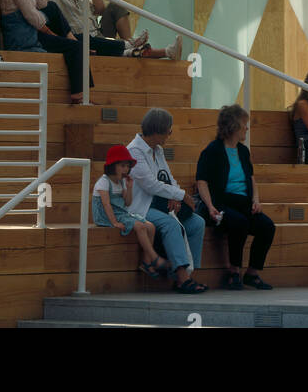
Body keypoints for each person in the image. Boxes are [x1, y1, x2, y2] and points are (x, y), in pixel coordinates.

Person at [195, 104, 276, 291]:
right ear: (233, 126)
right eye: (244, 125)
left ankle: (252, 273)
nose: (246, 128)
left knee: (267, 226)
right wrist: (209, 206)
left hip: (243, 202)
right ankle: (233, 272)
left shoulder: (243, 151)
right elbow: (202, 181)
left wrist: (256, 200)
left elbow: (251, 179)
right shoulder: (213, 150)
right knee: (239, 223)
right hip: (221, 203)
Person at [127, 108, 207, 294]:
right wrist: (181, 195)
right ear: (157, 131)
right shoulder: (133, 151)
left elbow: (168, 178)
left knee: (197, 223)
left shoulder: (158, 150)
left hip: (160, 203)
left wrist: (176, 194)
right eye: (169, 131)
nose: (170, 135)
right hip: (140, 206)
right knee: (171, 224)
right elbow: (150, 185)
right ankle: (182, 278)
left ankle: (187, 273)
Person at [0, 0, 89, 104]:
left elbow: (43, 5)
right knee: (76, 46)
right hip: (26, 41)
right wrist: (52, 33)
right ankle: (79, 94)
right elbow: (37, 19)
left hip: (27, 36)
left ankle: (82, 92)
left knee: (77, 44)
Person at [43, 0, 179, 61]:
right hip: (80, 38)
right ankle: (162, 51)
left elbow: (100, 10)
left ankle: (128, 43)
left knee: (115, 6)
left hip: (99, 35)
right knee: (122, 51)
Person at [92, 144, 169, 277]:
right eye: (122, 166)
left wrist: (129, 187)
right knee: (140, 227)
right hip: (106, 216)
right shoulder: (103, 182)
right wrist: (114, 222)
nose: (126, 169)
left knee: (150, 226)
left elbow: (127, 202)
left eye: (127, 166)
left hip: (121, 213)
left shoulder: (121, 182)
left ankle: (146, 262)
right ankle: (155, 258)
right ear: (112, 166)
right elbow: (106, 205)